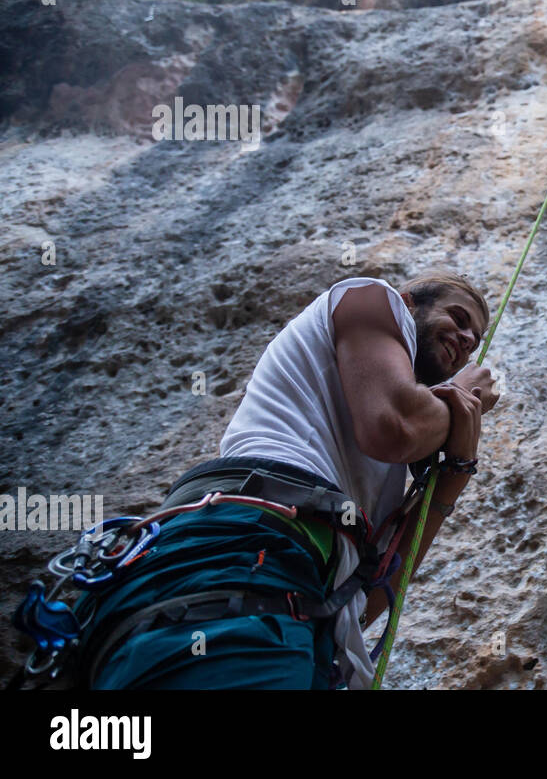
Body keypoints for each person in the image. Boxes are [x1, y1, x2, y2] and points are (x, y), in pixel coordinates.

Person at [76, 271, 497, 690]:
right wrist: (464, 399)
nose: (464, 339)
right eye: (457, 318)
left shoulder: (379, 470)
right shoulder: (370, 298)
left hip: (297, 607)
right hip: (245, 553)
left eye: (474, 340)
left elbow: (375, 590)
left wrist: (456, 470)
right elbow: (394, 428)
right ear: (408, 303)